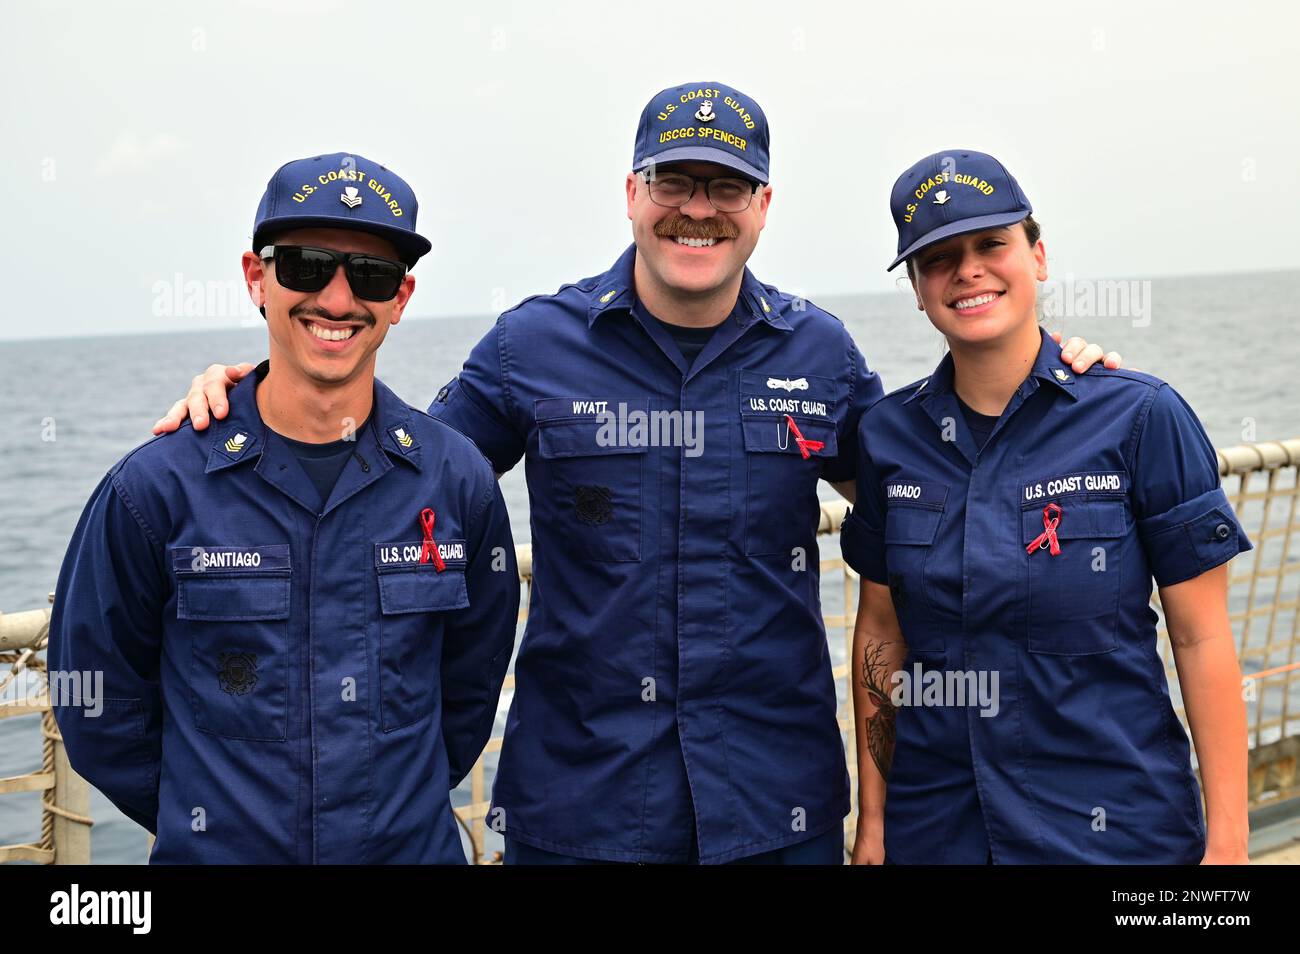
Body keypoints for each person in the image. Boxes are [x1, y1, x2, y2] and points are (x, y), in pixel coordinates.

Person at [151, 87, 1117, 864]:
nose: (698, 206)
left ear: (763, 208)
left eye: (727, 186)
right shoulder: (533, 344)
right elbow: (398, 472)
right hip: (580, 812)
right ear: (631, 193)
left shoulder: (819, 353)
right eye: (674, 180)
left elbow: (932, 485)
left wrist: (1040, 381)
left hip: (777, 814)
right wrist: (256, 393)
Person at [48, 152, 520, 863]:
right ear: (255, 278)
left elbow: (471, 685)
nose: (336, 300)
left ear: (401, 297)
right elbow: (95, 701)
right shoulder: (155, 489)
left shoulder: (456, 483)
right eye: (305, 266)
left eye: (371, 275)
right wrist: (204, 816)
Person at [843, 149, 1251, 865]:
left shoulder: (1141, 418)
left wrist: (1228, 845)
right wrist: (874, 827)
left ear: (1037, 256)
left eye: (990, 244)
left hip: (1117, 836)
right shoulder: (888, 437)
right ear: (915, 287)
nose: (967, 270)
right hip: (940, 834)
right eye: (938, 257)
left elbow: (1201, 640)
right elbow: (881, 635)